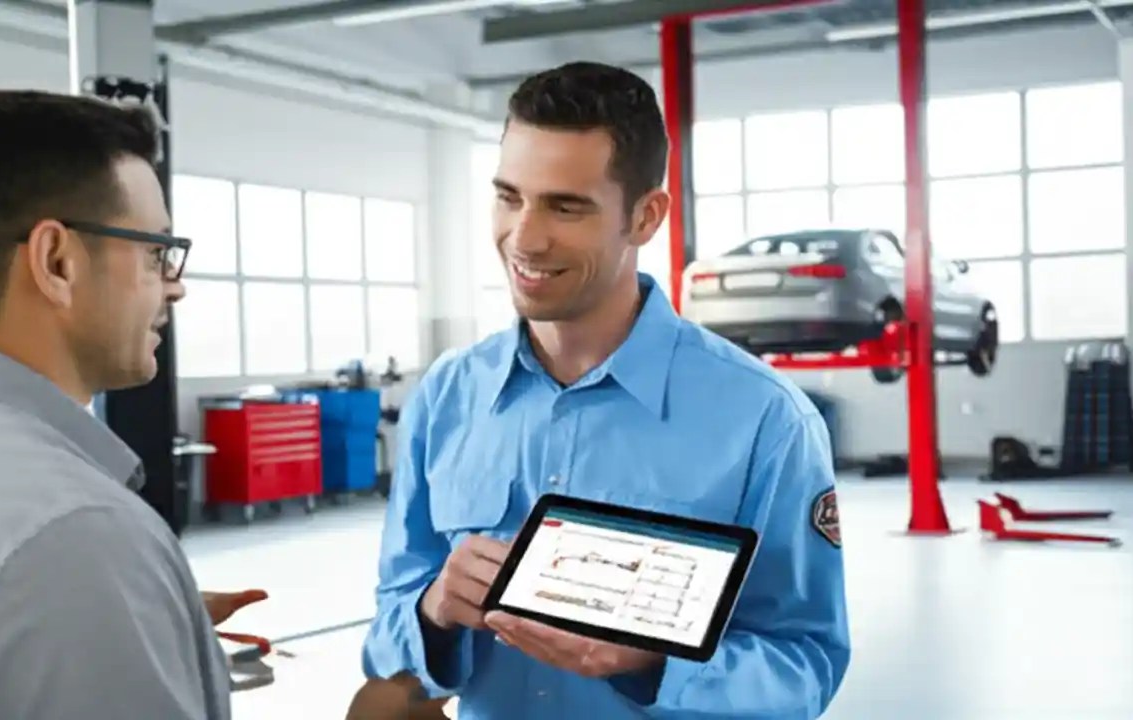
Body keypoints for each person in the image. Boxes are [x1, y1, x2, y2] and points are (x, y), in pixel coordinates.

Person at [361, 62, 851, 718]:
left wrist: (652, 662)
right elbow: (389, 634)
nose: (525, 238)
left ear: (646, 217)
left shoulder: (765, 420)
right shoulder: (448, 397)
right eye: (509, 196)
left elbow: (805, 664)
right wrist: (432, 612)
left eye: (566, 207)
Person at [0, 89, 262, 719]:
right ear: (57, 261)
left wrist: (139, 626)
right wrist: (96, 589)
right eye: (156, 253)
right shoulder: (74, 529)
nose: (175, 286)